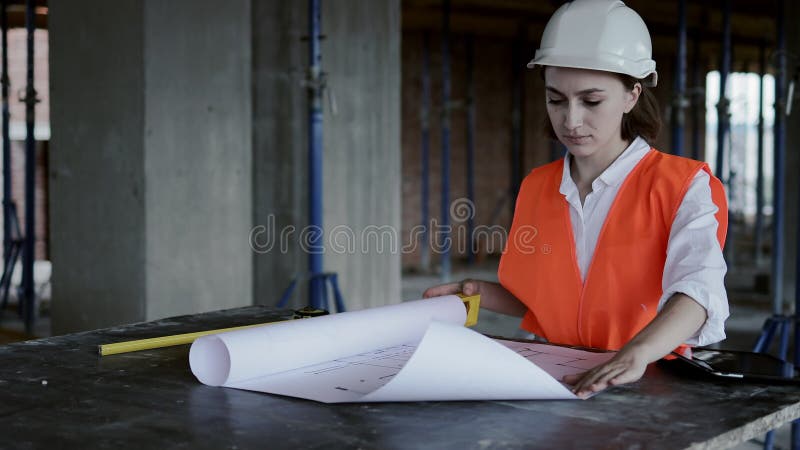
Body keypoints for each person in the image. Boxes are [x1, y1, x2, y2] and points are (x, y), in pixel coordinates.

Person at [423, 0, 729, 398]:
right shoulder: (537, 186)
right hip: (553, 376)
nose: (571, 120)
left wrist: (636, 353)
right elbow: (552, 299)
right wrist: (477, 291)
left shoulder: (682, 185)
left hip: (649, 382)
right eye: (556, 99)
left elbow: (699, 292)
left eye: (591, 100)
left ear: (632, 95)